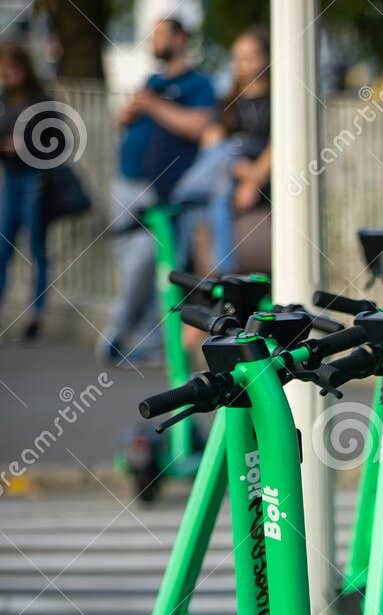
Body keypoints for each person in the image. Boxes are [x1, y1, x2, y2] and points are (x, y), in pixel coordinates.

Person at [105, 17, 215, 364]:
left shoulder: (198, 83)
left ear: (181, 39)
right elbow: (129, 120)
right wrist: (127, 115)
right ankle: (139, 337)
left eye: (160, 35)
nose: (153, 41)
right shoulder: (152, 81)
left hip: (162, 191)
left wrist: (153, 105)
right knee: (130, 262)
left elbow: (199, 126)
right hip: (127, 182)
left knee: (150, 263)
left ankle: (125, 331)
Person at [175, 27, 270, 275]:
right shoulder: (228, 101)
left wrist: (253, 179)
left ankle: (222, 270)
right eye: (238, 57)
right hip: (228, 171)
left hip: (256, 180)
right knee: (198, 205)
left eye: (250, 56)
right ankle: (189, 273)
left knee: (212, 195)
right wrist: (235, 165)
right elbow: (212, 142)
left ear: (266, 58)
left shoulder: (276, 101)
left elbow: (278, 146)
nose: (242, 64)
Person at [0, 42, 52, 342]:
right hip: (11, 177)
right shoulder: (4, 99)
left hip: (35, 179)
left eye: (10, 73)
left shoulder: (40, 100)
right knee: (3, 248)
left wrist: (25, 146)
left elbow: (56, 142)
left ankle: (37, 312)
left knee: (37, 248)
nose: (6, 79)